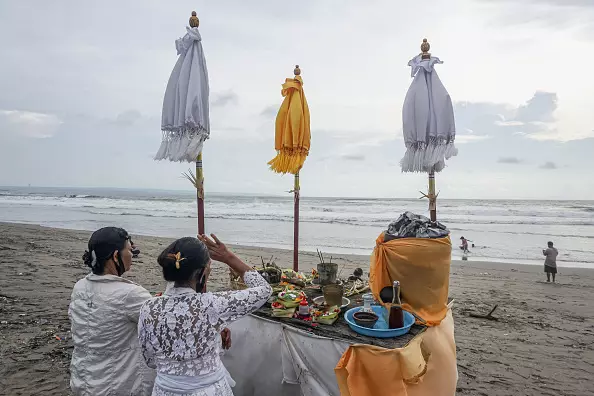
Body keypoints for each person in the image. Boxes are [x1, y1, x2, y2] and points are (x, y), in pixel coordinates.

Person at [138, 234, 272, 396]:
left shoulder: (148, 307)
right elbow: (264, 290)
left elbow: (150, 360)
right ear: (202, 273)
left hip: (165, 390)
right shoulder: (212, 304)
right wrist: (228, 257)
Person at [68, 227, 156, 396]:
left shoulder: (80, 286)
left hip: (83, 379)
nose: (132, 256)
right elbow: (162, 323)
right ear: (116, 256)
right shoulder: (130, 294)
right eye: (130, 250)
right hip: (115, 385)